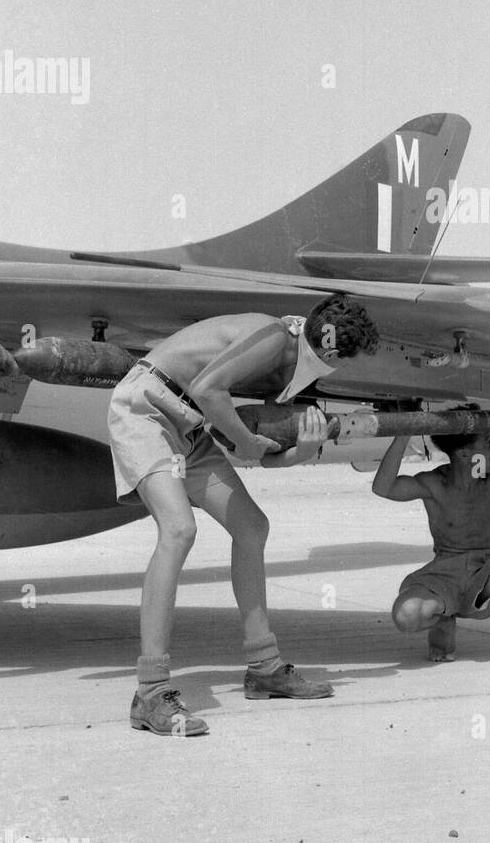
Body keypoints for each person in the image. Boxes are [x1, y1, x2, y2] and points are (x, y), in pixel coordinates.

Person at [108, 293, 379, 734]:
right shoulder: (273, 336)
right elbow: (206, 390)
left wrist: (304, 451)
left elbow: (260, 453)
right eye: (342, 360)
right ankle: (150, 693)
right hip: (147, 408)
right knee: (178, 530)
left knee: (252, 527)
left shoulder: (289, 365)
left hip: (188, 427)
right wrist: (250, 445)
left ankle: (264, 667)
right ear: (330, 351)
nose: (337, 369)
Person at [372, 421, 490, 668]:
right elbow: (383, 488)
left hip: (487, 578)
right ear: (465, 454)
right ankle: (444, 616)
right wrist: (403, 435)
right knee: (406, 615)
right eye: (487, 442)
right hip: (444, 576)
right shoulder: (435, 483)